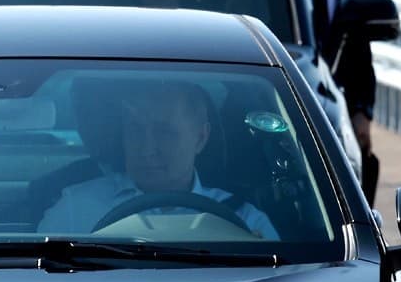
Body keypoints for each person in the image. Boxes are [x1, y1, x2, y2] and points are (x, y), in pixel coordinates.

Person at [39, 78, 277, 239]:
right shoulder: (74, 208)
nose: (146, 149)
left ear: (201, 138)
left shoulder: (243, 221)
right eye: (135, 130)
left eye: (164, 132)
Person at [302, 0, 382, 204]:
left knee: (358, 162)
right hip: (279, 90)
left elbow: (363, 63)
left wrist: (363, 112)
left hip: (331, 100)